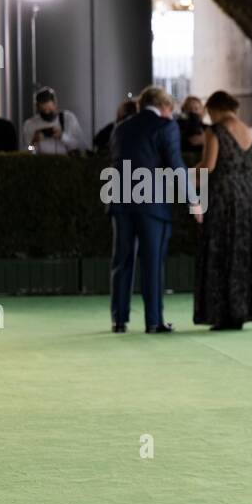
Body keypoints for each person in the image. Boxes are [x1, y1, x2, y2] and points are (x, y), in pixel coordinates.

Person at [107, 87, 189, 334]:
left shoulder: (120, 127)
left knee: (122, 260)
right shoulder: (166, 126)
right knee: (152, 262)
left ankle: (119, 320)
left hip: (120, 199)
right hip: (152, 203)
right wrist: (194, 200)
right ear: (165, 106)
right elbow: (176, 165)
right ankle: (153, 321)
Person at [192, 91, 252, 331]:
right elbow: (250, 165)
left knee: (221, 248)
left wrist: (185, 175)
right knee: (245, 250)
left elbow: (208, 166)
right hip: (250, 193)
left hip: (224, 193)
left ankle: (222, 313)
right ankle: (242, 310)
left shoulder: (214, 131)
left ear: (215, 109)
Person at [21, 86, 84, 154]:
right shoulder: (30, 124)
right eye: (43, 110)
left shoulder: (68, 118)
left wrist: (62, 136)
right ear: (37, 108)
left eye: (50, 109)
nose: (47, 112)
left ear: (55, 104)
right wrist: (34, 142)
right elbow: (26, 151)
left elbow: (80, 146)